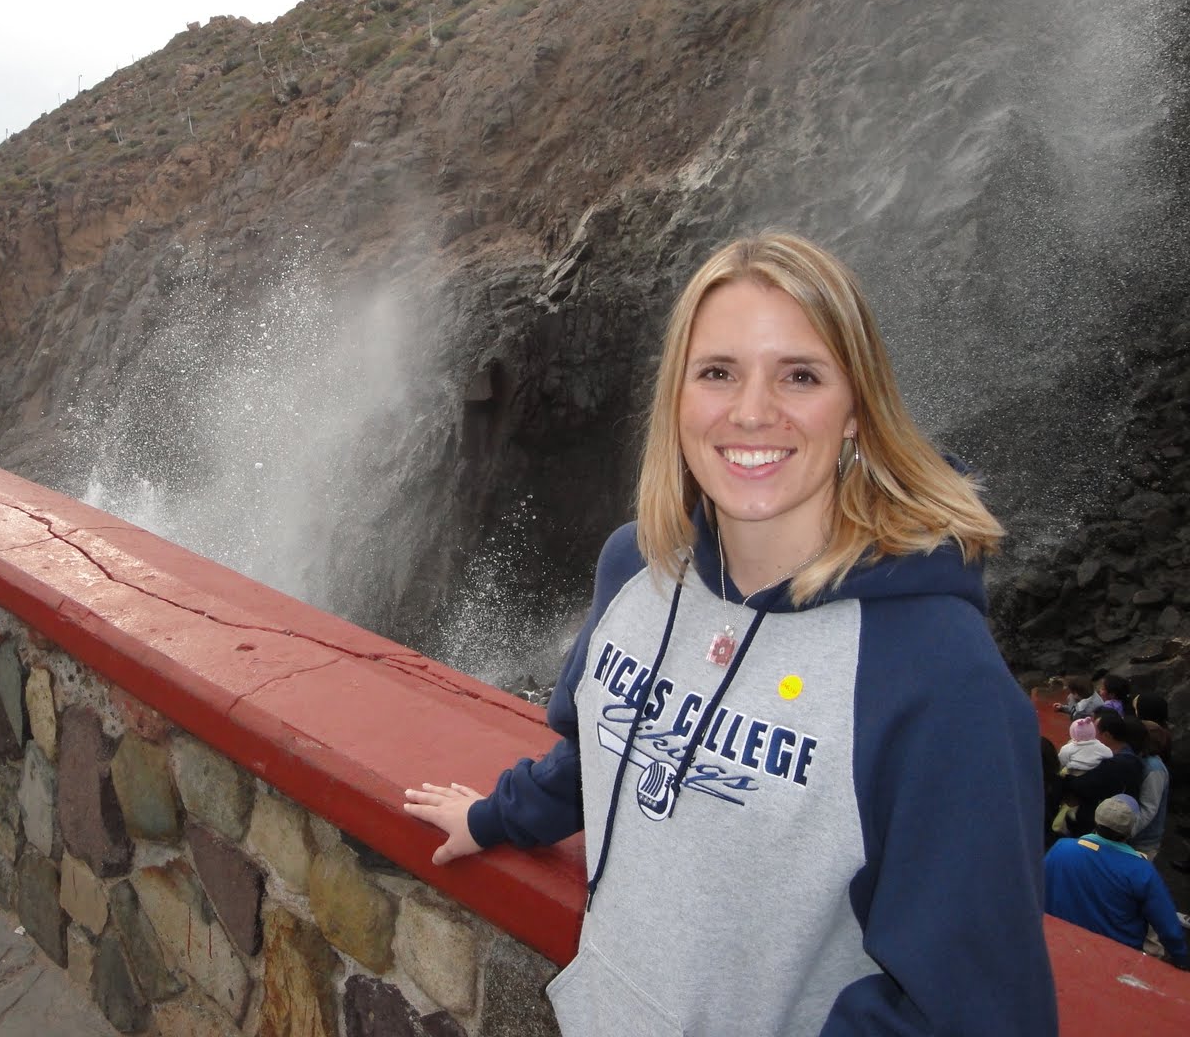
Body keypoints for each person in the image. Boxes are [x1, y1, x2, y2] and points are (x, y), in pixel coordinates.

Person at [404, 232, 1057, 1034]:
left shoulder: (937, 676)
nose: (753, 411)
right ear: (677, 399)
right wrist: (497, 818)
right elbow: (606, 746)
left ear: (856, 411)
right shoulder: (635, 568)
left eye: (800, 376)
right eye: (718, 373)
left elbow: (978, 1010)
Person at [1044, 794, 1190, 969]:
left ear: (1096, 819)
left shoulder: (1061, 848)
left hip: (1060, 947)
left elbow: (1036, 890)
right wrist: (1182, 962)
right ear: (1131, 829)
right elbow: (1170, 930)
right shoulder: (1141, 871)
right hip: (1115, 962)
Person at [1063, 710, 1146, 838]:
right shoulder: (1128, 755)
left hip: (1097, 829)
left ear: (1107, 735)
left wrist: (1066, 776)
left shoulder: (1116, 764)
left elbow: (1080, 785)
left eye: (1094, 732)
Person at [1133, 721, 1171, 860]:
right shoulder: (1142, 760)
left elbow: (1148, 808)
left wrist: (1125, 831)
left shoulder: (1154, 769)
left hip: (1142, 842)